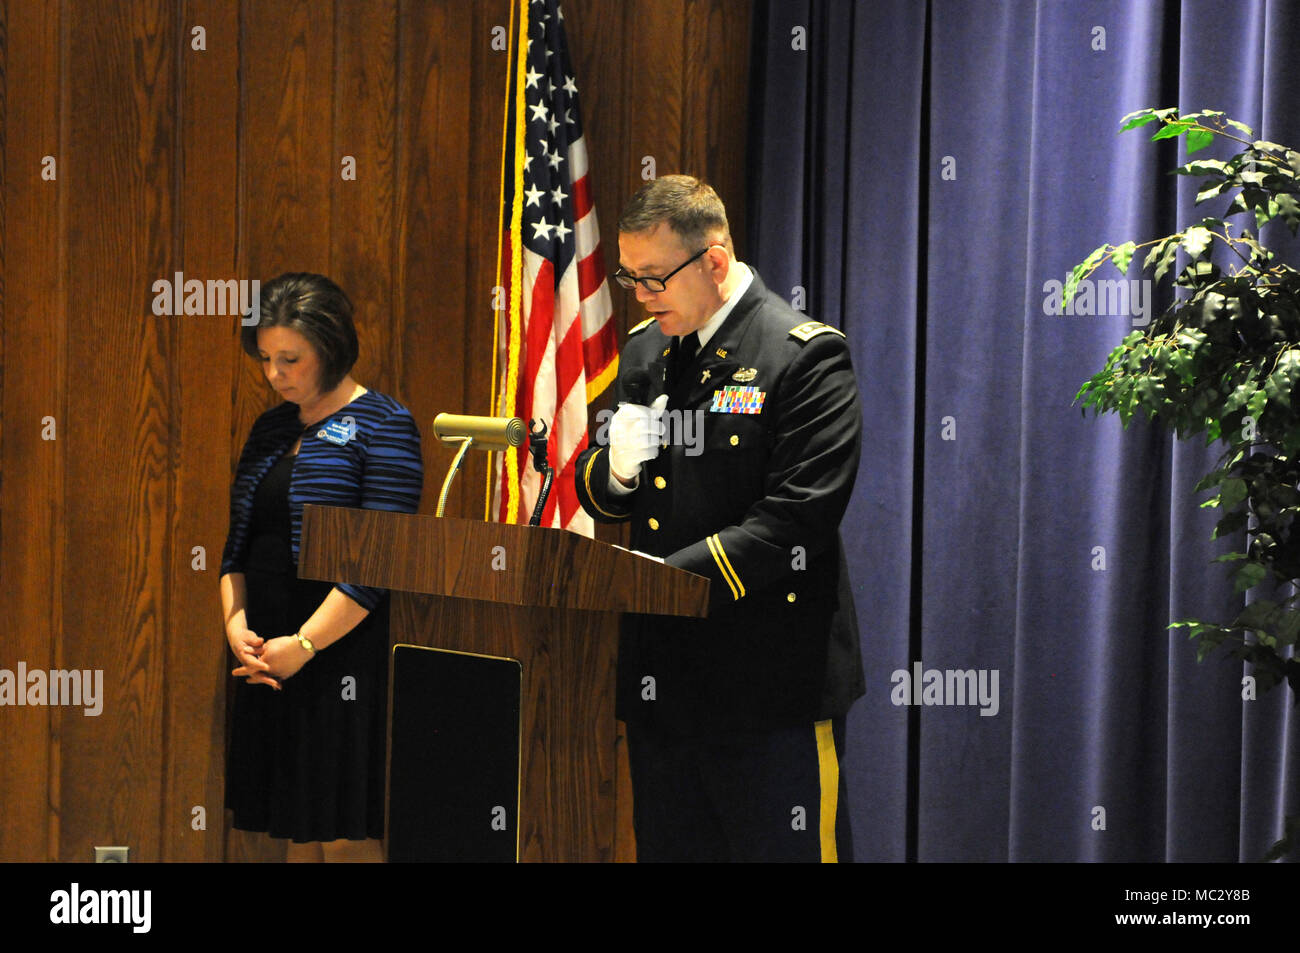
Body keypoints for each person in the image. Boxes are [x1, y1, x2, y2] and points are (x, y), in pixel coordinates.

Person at [575, 175, 864, 862]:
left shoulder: (802, 354)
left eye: (653, 278)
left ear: (713, 258)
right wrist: (613, 472)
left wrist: (659, 580)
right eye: (629, 277)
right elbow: (603, 486)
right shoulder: (648, 349)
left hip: (768, 686)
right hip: (666, 687)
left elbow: (797, 519)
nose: (640, 296)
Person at [219, 273, 423, 863]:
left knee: (341, 831)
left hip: (339, 651)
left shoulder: (385, 423)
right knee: (293, 828)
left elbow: (376, 566)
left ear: (330, 349)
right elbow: (237, 546)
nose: (275, 374)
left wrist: (305, 644)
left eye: (290, 358)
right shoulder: (271, 426)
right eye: (265, 358)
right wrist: (238, 629)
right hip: (263, 652)